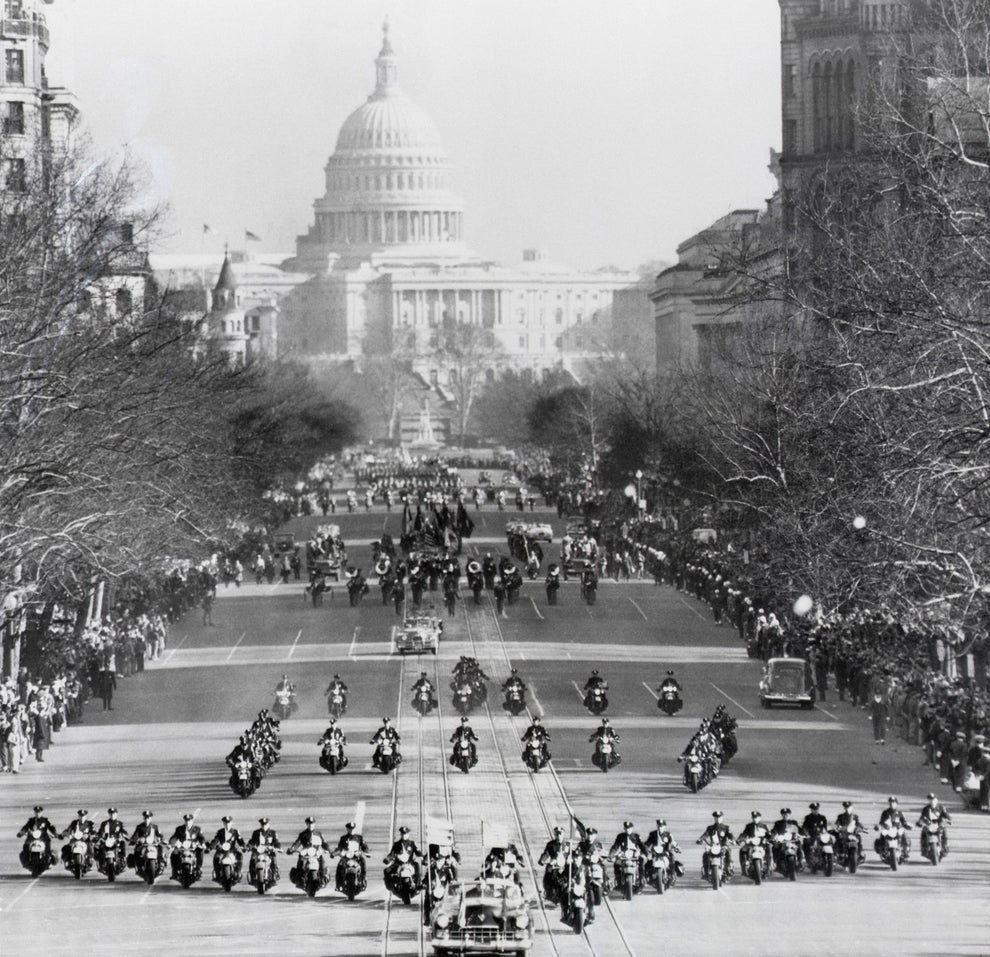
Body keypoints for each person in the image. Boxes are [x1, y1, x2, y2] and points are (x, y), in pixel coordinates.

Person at [288, 817, 330, 886]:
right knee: (300, 864)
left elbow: (324, 843)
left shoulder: (319, 834)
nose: (310, 825)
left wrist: (328, 849)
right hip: (305, 853)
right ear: (306, 824)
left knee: (322, 863)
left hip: (316, 853)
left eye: (312, 823)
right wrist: (292, 849)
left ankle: (323, 879)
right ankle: (299, 880)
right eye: (309, 823)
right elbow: (297, 843)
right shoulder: (302, 834)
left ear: (314, 824)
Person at [16, 805, 58, 869]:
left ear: (42, 812)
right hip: (32, 838)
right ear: (34, 812)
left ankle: (48, 861)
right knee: (26, 847)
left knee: (47, 848)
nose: (37, 813)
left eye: (39, 812)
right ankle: (25, 862)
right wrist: (20, 833)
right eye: (36, 812)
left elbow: (51, 828)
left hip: (43, 837)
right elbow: (25, 827)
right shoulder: (31, 820)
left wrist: (55, 833)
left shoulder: (45, 820)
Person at [697, 811, 735, 879]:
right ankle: (706, 872)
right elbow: (705, 834)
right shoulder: (710, 828)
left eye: (719, 817)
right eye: (716, 817)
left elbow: (731, 836)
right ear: (714, 818)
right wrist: (700, 839)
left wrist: (733, 840)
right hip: (713, 846)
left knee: (728, 851)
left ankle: (728, 869)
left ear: (722, 818)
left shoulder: (726, 828)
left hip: (723, 846)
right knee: (706, 854)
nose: (718, 819)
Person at [168, 813, 205, 879]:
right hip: (182, 847)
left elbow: (201, 838)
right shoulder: (179, 829)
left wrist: (202, 844)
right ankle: (175, 871)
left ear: (192, 821)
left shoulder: (197, 829)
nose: (188, 822)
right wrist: (171, 843)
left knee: (200, 851)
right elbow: (174, 837)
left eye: (189, 820)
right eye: (186, 821)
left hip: (193, 847)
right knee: (174, 853)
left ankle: (198, 868)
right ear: (184, 821)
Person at [208, 815, 245, 880]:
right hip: (222, 850)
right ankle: (217, 873)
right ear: (223, 824)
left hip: (232, 850)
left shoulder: (235, 832)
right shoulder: (220, 832)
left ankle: (238, 872)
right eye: (225, 823)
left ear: (231, 823)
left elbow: (240, 840)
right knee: (216, 857)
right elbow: (215, 840)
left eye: (229, 823)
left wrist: (244, 846)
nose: (227, 824)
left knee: (240, 855)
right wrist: (210, 847)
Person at [334, 821, 369, 890]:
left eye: (353, 828)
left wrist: (367, 852)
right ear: (347, 829)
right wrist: (335, 853)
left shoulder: (359, 838)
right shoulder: (343, 838)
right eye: (349, 828)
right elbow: (340, 847)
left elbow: (365, 847)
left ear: (355, 829)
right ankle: (339, 884)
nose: (351, 830)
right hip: (346, 857)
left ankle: (362, 879)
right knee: (339, 866)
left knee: (363, 861)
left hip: (357, 857)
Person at [916, 793, 952, 857]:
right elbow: (921, 818)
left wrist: (948, 820)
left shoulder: (941, 808)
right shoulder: (925, 809)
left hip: (939, 825)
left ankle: (944, 847)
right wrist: (919, 822)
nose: (932, 801)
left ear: (936, 800)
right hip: (929, 825)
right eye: (930, 800)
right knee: (924, 831)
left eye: (933, 799)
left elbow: (947, 816)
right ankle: (924, 849)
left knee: (944, 830)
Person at [247, 817, 281, 882]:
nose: (264, 826)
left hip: (269, 852)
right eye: (262, 825)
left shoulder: (273, 833)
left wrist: (278, 848)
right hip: (258, 851)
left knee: (274, 861)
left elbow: (276, 842)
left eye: (265, 824)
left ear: (268, 824)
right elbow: (252, 841)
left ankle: (273, 875)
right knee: (252, 861)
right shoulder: (256, 833)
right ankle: (253, 876)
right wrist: (249, 846)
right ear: (261, 825)